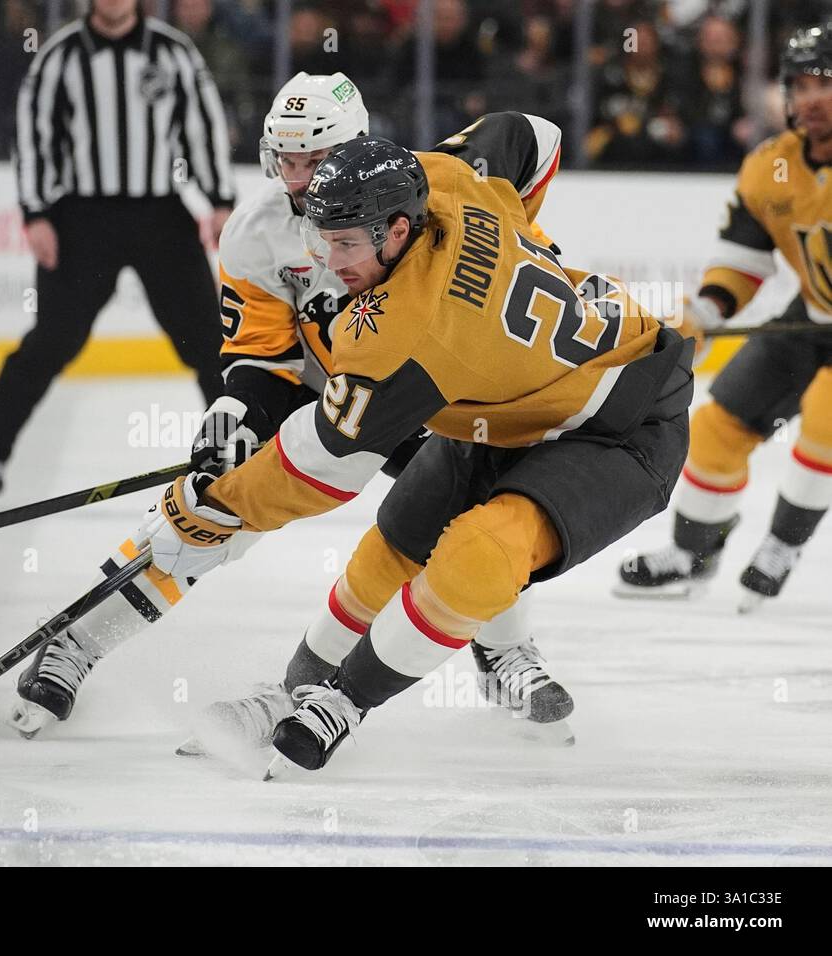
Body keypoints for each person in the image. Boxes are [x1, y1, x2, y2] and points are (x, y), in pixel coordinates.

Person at [6, 77, 578, 750]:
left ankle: (502, 650)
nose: (299, 178)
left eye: (314, 159)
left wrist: (511, 212)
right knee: (214, 509)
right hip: (331, 395)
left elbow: (534, 135)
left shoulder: (425, 193)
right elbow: (262, 356)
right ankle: (75, 645)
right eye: (286, 159)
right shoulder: (258, 233)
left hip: (426, 394)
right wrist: (236, 414)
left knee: (479, 502)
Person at [134, 124, 692, 776]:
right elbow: (529, 134)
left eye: (343, 244)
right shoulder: (443, 178)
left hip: (621, 424)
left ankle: (342, 704)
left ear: (396, 231)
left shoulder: (407, 334)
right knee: (393, 546)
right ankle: (296, 691)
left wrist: (208, 512)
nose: (326, 261)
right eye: (320, 237)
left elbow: (316, 465)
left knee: (476, 557)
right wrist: (528, 243)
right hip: (511, 405)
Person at [0, 0, 233, 509]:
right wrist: (36, 213)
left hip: (160, 215)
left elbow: (202, 127)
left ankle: (233, 453)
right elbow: (33, 138)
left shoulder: (173, 52)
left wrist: (220, 200)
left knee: (209, 340)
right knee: (53, 340)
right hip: (81, 220)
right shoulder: (59, 57)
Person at [618, 21, 832, 610]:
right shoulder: (772, 164)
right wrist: (708, 308)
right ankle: (693, 552)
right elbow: (744, 256)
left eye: (826, 83)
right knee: (717, 428)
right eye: (802, 83)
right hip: (812, 317)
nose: (812, 97)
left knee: (824, 421)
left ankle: (783, 545)